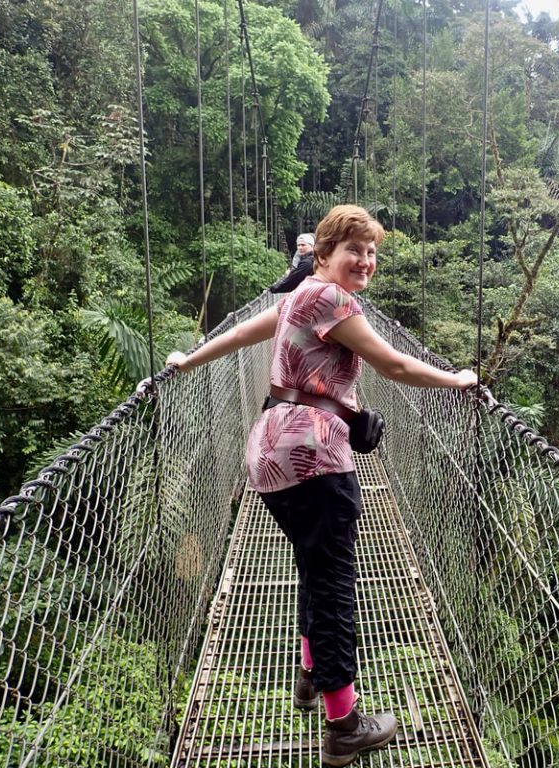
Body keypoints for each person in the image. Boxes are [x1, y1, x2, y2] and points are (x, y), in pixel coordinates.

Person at [166, 205, 477, 767]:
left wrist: (189, 361)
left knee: (315, 565)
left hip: (271, 453)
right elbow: (394, 366)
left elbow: (238, 334)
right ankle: (345, 724)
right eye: (355, 250)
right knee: (334, 583)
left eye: (373, 252)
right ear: (325, 254)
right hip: (312, 456)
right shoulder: (331, 300)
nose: (366, 261)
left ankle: (311, 674)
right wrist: (456, 380)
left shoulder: (294, 299)